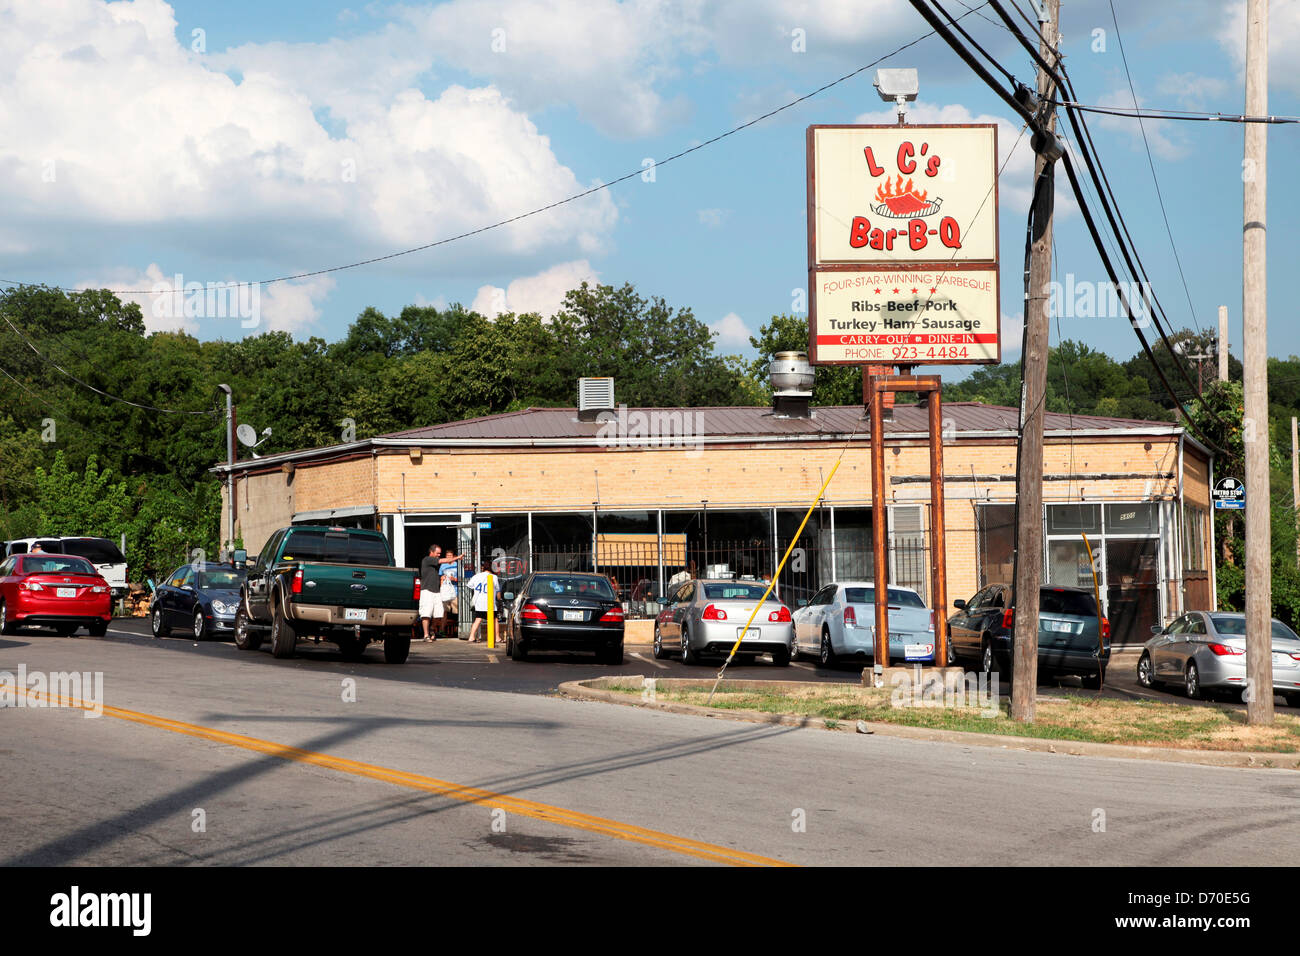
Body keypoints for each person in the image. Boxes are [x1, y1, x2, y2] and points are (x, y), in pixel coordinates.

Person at [466, 561, 500, 644]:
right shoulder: (494, 577)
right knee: (495, 619)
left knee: (478, 619)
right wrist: (499, 598)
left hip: (479, 601)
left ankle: (471, 636)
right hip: (490, 601)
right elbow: (497, 588)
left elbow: (469, 585)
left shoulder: (476, 576)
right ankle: (497, 638)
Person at [439, 547, 467, 637]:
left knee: (458, 611)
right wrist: (441, 584)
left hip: (455, 591)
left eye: (450, 556)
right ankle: (442, 631)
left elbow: (463, 578)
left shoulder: (457, 564)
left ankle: (459, 631)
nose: (449, 557)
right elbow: (440, 577)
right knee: (444, 612)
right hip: (445, 592)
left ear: (453, 556)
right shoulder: (442, 565)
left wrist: (455, 579)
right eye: (447, 556)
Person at [418, 544, 444, 642]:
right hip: (427, 590)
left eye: (440, 554)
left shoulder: (435, 564)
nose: (439, 555)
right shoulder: (427, 559)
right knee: (426, 613)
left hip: (436, 591)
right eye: (437, 553)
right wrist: (456, 558)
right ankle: (426, 635)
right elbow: (442, 561)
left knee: (439, 613)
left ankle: (432, 629)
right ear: (431, 552)